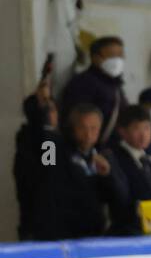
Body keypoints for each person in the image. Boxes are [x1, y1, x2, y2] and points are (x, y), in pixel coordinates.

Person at [36, 102, 113, 240]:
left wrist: (107, 175)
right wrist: (49, 129)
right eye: (82, 128)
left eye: (94, 128)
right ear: (72, 128)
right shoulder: (58, 150)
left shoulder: (105, 155)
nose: (88, 134)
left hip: (94, 232)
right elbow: (46, 164)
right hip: (63, 233)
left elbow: (116, 196)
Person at [105, 104, 151, 235]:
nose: (143, 135)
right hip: (127, 231)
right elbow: (119, 199)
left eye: (147, 128)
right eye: (136, 129)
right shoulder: (113, 158)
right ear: (122, 131)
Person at [14, 76, 61, 240]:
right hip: (39, 225)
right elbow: (50, 165)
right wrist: (46, 125)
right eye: (50, 110)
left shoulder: (50, 138)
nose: (55, 114)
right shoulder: (32, 141)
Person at [59, 36, 128, 146]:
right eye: (112, 55)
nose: (118, 60)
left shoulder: (115, 85)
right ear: (96, 58)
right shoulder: (83, 83)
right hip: (90, 149)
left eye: (120, 55)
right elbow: (76, 121)